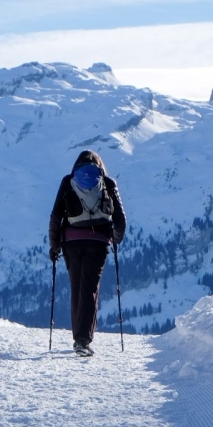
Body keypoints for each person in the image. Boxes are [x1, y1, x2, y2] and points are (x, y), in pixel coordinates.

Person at [48, 150, 127, 356]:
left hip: (71, 243)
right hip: (98, 242)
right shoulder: (107, 183)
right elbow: (120, 219)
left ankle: (79, 337)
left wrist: (54, 245)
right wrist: (115, 239)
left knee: (77, 287)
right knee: (90, 288)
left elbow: (56, 216)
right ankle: (82, 340)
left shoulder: (68, 181)